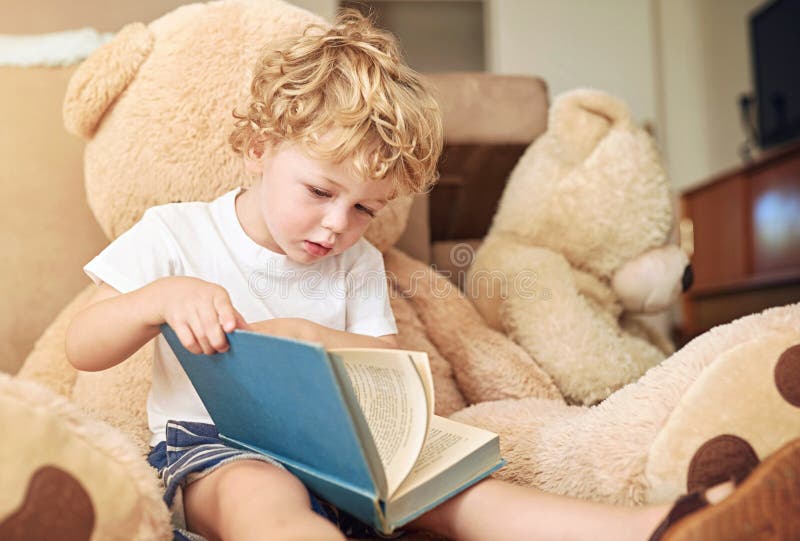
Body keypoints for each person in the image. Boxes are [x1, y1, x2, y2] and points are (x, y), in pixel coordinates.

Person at [65, 9, 797, 541]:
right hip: (216, 447)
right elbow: (84, 344)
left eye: (366, 209)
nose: (337, 226)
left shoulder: (354, 259)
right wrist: (159, 299)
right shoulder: (176, 233)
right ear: (258, 149)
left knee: (463, 495)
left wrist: (311, 335)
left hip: (343, 440)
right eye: (320, 192)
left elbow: (395, 363)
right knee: (262, 498)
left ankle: (662, 525)